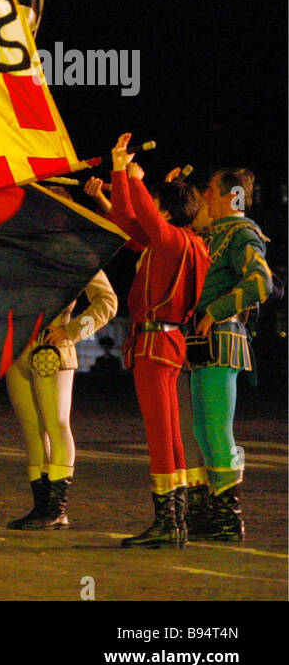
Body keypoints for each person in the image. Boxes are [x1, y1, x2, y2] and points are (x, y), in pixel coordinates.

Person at [107, 133, 210, 549]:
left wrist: (131, 174)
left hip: (154, 345)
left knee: (160, 435)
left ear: (166, 211)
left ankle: (168, 521)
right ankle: (177, 519)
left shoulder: (167, 241)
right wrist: (118, 170)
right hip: (169, 344)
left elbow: (142, 216)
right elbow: (125, 219)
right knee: (170, 434)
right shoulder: (189, 244)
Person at [186, 168, 271, 541]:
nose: (206, 195)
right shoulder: (216, 232)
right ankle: (213, 509)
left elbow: (261, 281)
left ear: (232, 195)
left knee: (217, 430)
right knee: (203, 429)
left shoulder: (241, 233)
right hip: (204, 342)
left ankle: (228, 515)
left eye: (210, 189)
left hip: (222, 338)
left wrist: (215, 311)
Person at [4, 269, 117, 529]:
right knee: (33, 431)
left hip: (52, 346)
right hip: (17, 346)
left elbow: (108, 301)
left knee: (56, 425)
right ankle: (42, 508)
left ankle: (57, 510)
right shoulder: (17, 247)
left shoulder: (75, 251)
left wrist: (73, 330)